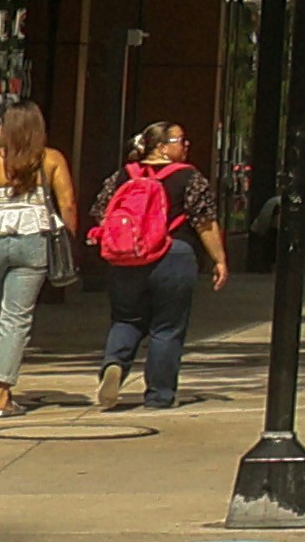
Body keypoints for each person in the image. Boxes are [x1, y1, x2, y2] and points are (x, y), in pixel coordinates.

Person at [0, 101, 82, 423]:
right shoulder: (51, 160)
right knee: (17, 318)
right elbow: (67, 206)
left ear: (7, 128)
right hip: (33, 240)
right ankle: (2, 390)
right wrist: (68, 240)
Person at [90, 125, 225, 412]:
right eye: (180, 141)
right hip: (173, 255)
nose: (186, 145)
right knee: (167, 327)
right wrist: (219, 259)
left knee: (125, 319)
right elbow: (205, 222)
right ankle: (159, 395)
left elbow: (102, 212)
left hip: (126, 258)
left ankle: (114, 364)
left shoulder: (123, 175)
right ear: (161, 147)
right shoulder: (189, 177)